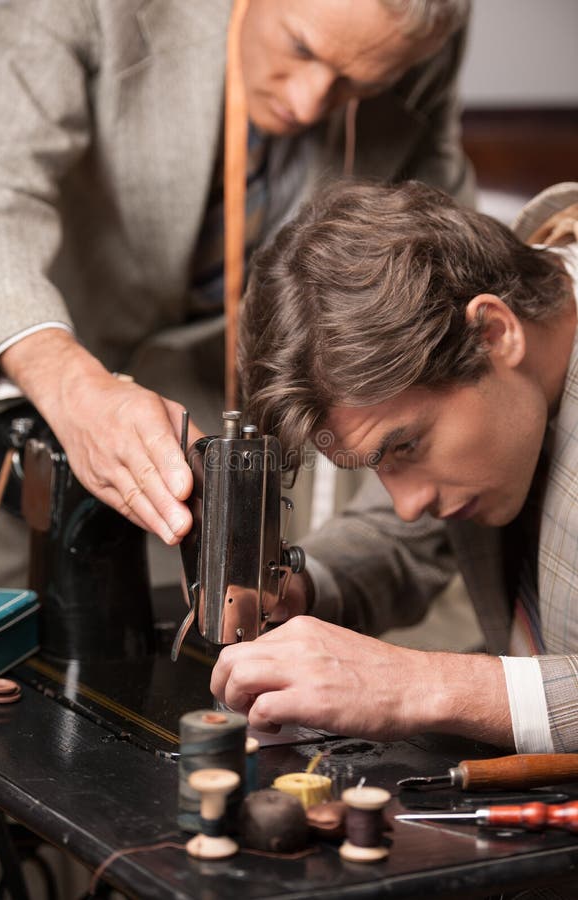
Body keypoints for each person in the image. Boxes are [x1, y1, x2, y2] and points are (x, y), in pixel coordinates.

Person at [0, 0, 473, 587]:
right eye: (301, 48)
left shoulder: (418, 44)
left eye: (356, 83)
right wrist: (70, 385)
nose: (310, 101)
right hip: (29, 381)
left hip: (210, 407)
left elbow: (443, 250)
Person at [211, 180, 578, 756]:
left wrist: (427, 685)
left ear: (493, 334)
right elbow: (403, 532)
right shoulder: (501, 383)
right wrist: (299, 588)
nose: (408, 503)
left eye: (404, 448)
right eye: (376, 466)